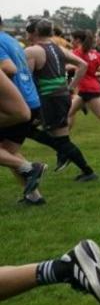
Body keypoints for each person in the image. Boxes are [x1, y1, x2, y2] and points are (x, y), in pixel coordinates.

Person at [24, 20, 97, 182]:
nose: (27, 35)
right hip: (62, 96)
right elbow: (82, 65)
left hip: (49, 98)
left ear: (34, 32)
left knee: (54, 137)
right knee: (34, 129)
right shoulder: (58, 48)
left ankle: (86, 169)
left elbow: (26, 80)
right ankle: (74, 159)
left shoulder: (32, 51)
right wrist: (71, 87)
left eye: (28, 32)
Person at [0, 28, 47, 204]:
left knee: (7, 153)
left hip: (16, 102)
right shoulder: (10, 40)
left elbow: (9, 69)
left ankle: (30, 168)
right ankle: (34, 196)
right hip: (30, 99)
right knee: (8, 152)